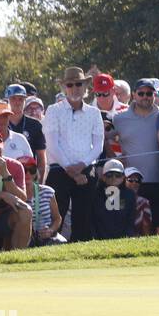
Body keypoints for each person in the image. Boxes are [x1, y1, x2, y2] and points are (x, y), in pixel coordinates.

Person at [43, 66, 105, 242]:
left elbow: (98, 146)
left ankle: (82, 257)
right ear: (64, 87)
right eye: (70, 85)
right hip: (59, 169)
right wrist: (71, 169)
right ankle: (50, 252)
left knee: (84, 217)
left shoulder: (94, 113)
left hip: (85, 168)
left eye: (79, 84)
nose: (74, 88)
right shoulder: (53, 110)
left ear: (85, 87)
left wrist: (81, 166)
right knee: (56, 215)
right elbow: (52, 144)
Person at [113, 79, 159, 235]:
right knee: (133, 225)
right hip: (131, 183)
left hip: (158, 179)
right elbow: (106, 139)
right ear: (134, 95)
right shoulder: (119, 118)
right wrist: (116, 159)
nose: (145, 96)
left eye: (149, 93)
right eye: (141, 93)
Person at [4, 83, 47, 179]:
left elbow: (41, 157)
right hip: (4, 174)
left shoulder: (35, 125)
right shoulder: (0, 123)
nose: (17, 102)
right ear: (6, 100)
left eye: (21, 99)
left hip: (28, 175)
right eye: (13, 98)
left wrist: (38, 183)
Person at [19, 156, 63, 247]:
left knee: (62, 243)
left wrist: (50, 230)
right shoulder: (13, 193)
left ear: (36, 173)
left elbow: (57, 218)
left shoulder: (48, 191)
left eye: (32, 170)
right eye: (23, 169)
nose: (27, 173)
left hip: (45, 237)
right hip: (23, 238)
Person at [88, 158, 137, 240]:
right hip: (100, 241)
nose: (114, 178)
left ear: (123, 177)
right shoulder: (95, 195)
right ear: (103, 177)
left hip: (124, 240)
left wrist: (128, 238)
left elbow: (130, 221)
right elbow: (92, 221)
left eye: (118, 175)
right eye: (109, 175)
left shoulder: (130, 195)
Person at [123, 167, 154, 236]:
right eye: (130, 180)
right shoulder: (115, 200)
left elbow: (146, 229)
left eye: (138, 180)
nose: (134, 183)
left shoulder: (143, 202)